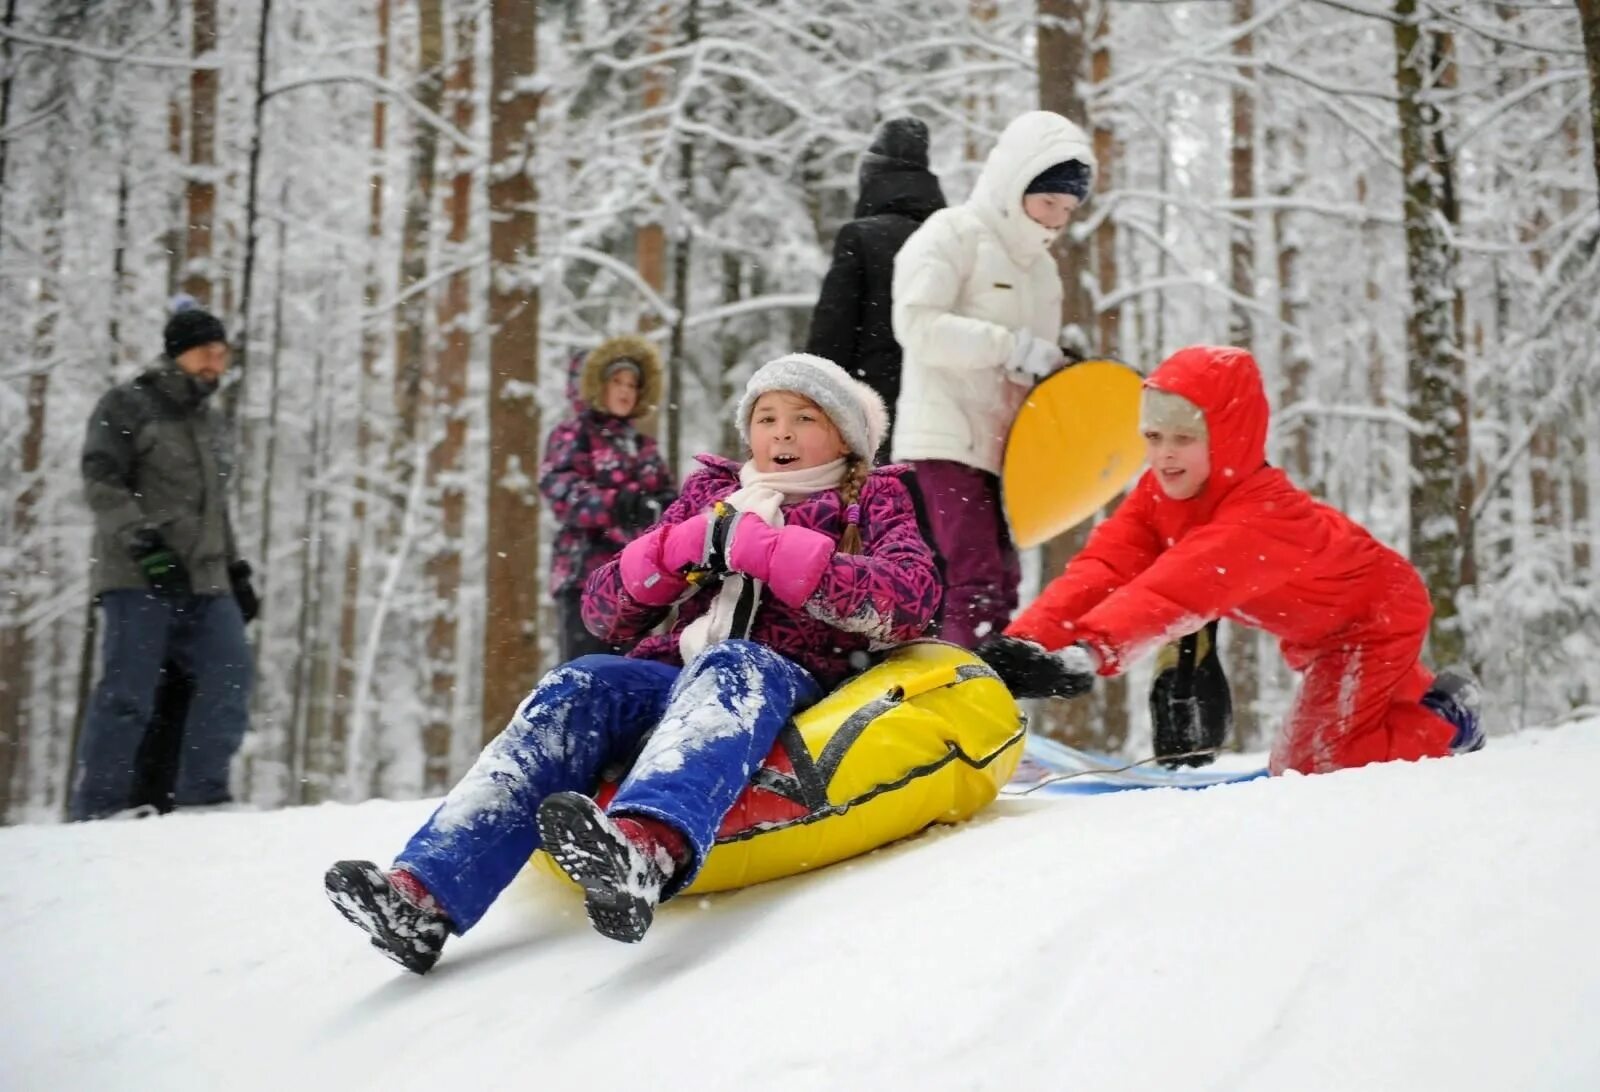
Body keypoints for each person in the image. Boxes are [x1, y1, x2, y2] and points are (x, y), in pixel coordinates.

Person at [325, 353, 940, 972]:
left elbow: (910, 598)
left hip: (784, 672)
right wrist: (672, 553)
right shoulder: (712, 494)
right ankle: (425, 893)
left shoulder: (873, 500)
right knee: (579, 682)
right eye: (767, 417)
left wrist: (779, 552)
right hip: (674, 669)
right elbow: (604, 613)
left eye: (805, 418)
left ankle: (647, 849)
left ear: (844, 436)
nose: (781, 432)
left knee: (732, 666)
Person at [976, 345, 1485, 776]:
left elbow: (1176, 589)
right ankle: (1414, 703)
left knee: (1316, 766)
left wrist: (1089, 653)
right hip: (1323, 626)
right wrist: (1026, 643)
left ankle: (1449, 718)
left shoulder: (1262, 513)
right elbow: (1104, 569)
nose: (1164, 456)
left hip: (1373, 619)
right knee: (1321, 749)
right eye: (1153, 438)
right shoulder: (1162, 493)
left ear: (1228, 437)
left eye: (1184, 439)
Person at [890, 109, 1095, 648]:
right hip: (945, 437)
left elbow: (1028, 367)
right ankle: (955, 692)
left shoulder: (1044, 273)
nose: (1056, 219)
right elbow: (915, 322)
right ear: (1015, 182)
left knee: (1004, 585)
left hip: (1006, 452)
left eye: (1068, 209)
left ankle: (981, 699)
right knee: (974, 583)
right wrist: (1011, 346)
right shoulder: (953, 233)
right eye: (1048, 200)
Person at [70, 301, 258, 821]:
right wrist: (144, 544)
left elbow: (212, 506)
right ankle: (99, 808)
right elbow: (101, 479)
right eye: (205, 353)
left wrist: (235, 568)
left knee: (231, 676)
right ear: (177, 353)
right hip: (137, 577)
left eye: (221, 355)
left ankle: (203, 798)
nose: (214, 364)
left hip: (205, 581)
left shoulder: (212, 422)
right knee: (128, 693)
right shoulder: (128, 404)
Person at [806, 116, 946, 456]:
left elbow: (831, 336)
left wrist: (807, 405)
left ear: (870, 180)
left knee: (876, 507)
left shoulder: (862, 237)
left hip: (872, 414)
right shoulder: (951, 240)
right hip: (940, 420)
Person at [539, 335, 676, 661]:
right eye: (617, 381)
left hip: (637, 583)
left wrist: (665, 505)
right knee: (587, 673)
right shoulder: (574, 434)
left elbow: (667, 498)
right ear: (596, 385)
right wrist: (622, 504)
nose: (626, 390)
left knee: (631, 675)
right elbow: (561, 491)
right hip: (585, 576)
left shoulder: (644, 447)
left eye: (633, 384)